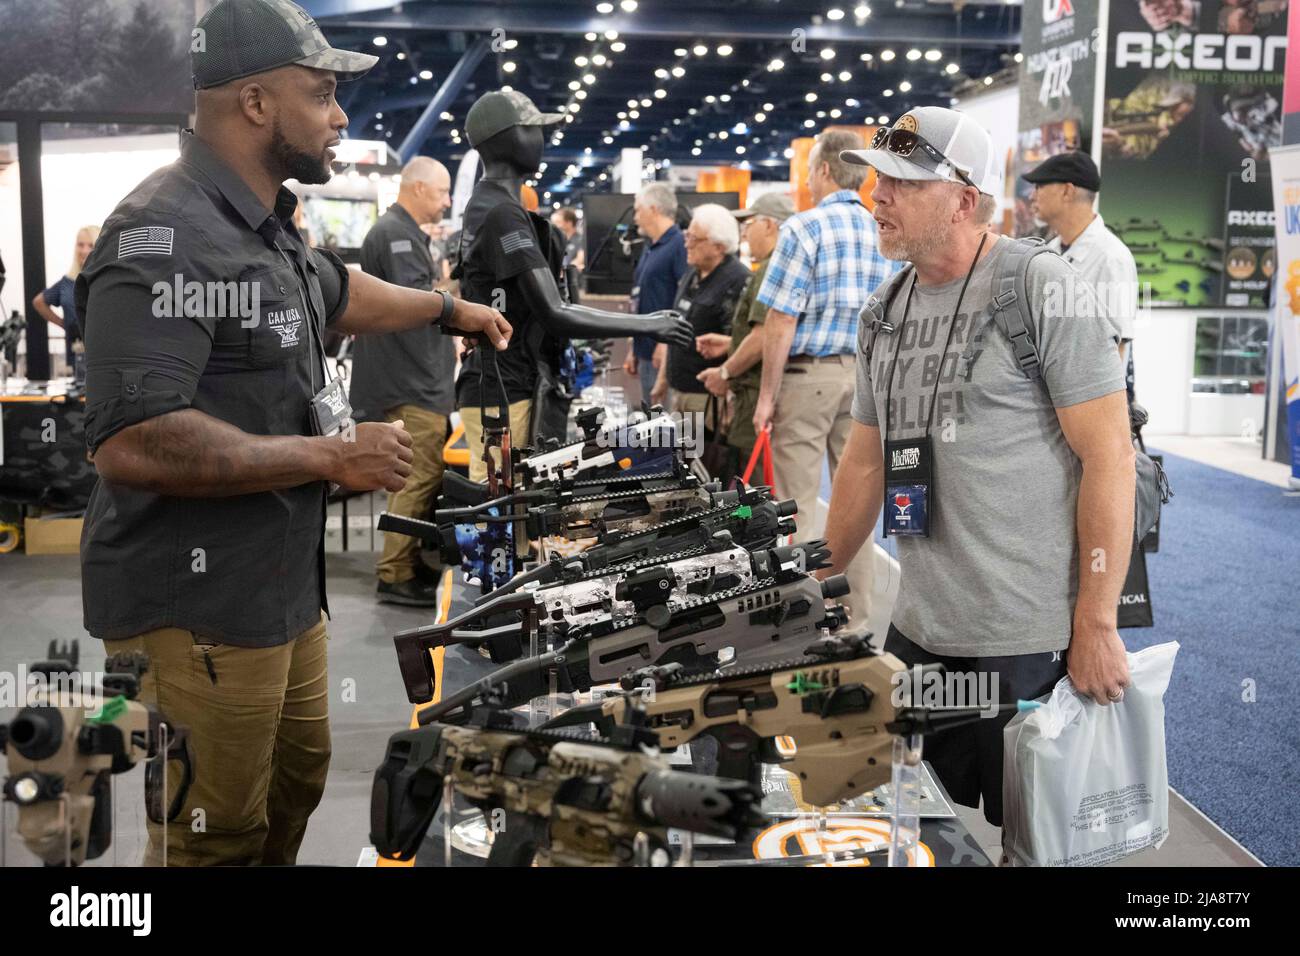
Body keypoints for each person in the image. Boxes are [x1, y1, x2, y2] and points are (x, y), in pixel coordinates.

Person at [75, 0, 510, 867]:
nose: (341, 114)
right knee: (212, 829)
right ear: (256, 102)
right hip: (197, 605)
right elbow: (130, 439)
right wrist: (331, 456)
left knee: (296, 777)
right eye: (322, 93)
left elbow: (337, 291)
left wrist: (450, 309)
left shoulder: (263, 223)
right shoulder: (164, 236)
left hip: (279, 586)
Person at [821, 107, 1134, 829]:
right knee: (914, 831)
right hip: (921, 630)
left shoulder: (1038, 286)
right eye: (877, 180)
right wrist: (817, 584)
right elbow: (866, 464)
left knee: (1037, 842)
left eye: (901, 182)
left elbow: (1110, 456)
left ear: (964, 199)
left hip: (1028, 642)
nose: (879, 197)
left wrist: (1096, 622)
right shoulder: (881, 312)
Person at [455, 90, 691, 481]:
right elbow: (556, 312)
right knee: (502, 523)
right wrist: (649, 324)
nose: (543, 141)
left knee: (518, 518)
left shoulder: (497, 208)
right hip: (505, 392)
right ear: (510, 136)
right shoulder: (501, 213)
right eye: (536, 131)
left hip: (509, 385)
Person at [751, 129, 892, 626]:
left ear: (827, 171)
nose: (808, 180)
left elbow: (781, 318)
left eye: (810, 169)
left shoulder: (803, 229)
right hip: (869, 379)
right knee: (859, 506)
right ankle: (857, 623)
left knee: (801, 504)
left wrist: (766, 397)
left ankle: (809, 621)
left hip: (808, 380)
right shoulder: (883, 227)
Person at [350, 156, 456, 607]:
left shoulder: (402, 233)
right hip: (410, 382)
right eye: (441, 192)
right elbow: (417, 306)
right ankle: (395, 572)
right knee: (417, 475)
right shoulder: (395, 234)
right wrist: (452, 299)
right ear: (415, 188)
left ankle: (403, 565)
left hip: (410, 376)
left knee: (416, 473)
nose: (448, 201)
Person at [694, 192, 796, 468]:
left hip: (755, 396)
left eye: (749, 224)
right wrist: (731, 343)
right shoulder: (780, 265)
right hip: (766, 392)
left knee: (755, 490)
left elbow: (765, 336)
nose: (745, 234)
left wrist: (725, 372)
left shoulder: (771, 269)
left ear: (769, 226)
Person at [1024, 151, 1138, 367]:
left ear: (1067, 191)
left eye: (1039, 187)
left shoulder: (1112, 258)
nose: (1032, 196)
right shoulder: (1049, 252)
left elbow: (1118, 346)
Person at [651, 204, 751, 423]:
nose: (686, 244)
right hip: (679, 391)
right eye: (687, 235)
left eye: (694, 239)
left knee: (703, 457)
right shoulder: (691, 273)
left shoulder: (738, 281)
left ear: (718, 247)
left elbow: (743, 343)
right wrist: (662, 380)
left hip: (709, 399)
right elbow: (675, 326)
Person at [623, 182, 687, 407]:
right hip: (645, 349)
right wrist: (634, 345)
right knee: (650, 423)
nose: (635, 217)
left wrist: (667, 343)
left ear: (654, 209)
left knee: (662, 425)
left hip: (662, 353)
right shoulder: (651, 247)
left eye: (638, 210)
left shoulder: (679, 245)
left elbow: (684, 298)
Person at [33, 225, 99, 371]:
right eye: (80, 245)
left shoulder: (104, 281)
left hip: (101, 359)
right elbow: (39, 302)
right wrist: (64, 324)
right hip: (75, 357)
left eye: (91, 245)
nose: (84, 250)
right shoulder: (67, 283)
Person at [550, 206, 585, 272]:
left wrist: (564, 270)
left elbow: (580, 260)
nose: (555, 226)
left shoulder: (581, 239)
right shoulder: (558, 240)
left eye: (558, 222)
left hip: (573, 278)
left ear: (569, 223)